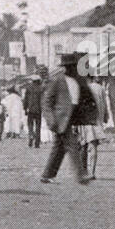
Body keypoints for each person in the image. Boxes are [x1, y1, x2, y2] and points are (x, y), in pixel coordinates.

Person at [41, 52, 94, 184]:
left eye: (73, 66)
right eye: (69, 66)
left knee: (59, 148)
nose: (72, 68)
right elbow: (47, 101)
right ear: (65, 67)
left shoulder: (78, 80)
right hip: (60, 119)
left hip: (70, 118)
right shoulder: (57, 80)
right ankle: (80, 175)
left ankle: (47, 175)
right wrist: (50, 119)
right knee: (72, 145)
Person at [80, 76, 110, 179]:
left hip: (85, 120)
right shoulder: (101, 88)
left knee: (83, 146)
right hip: (97, 120)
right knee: (93, 146)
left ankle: (84, 171)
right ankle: (92, 172)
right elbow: (105, 105)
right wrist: (106, 116)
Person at [24, 70, 46, 148]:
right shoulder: (41, 88)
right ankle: (37, 143)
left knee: (30, 124)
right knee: (38, 126)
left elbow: (25, 99)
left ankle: (31, 135)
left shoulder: (28, 88)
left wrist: (25, 108)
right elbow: (43, 99)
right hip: (38, 110)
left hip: (30, 109)